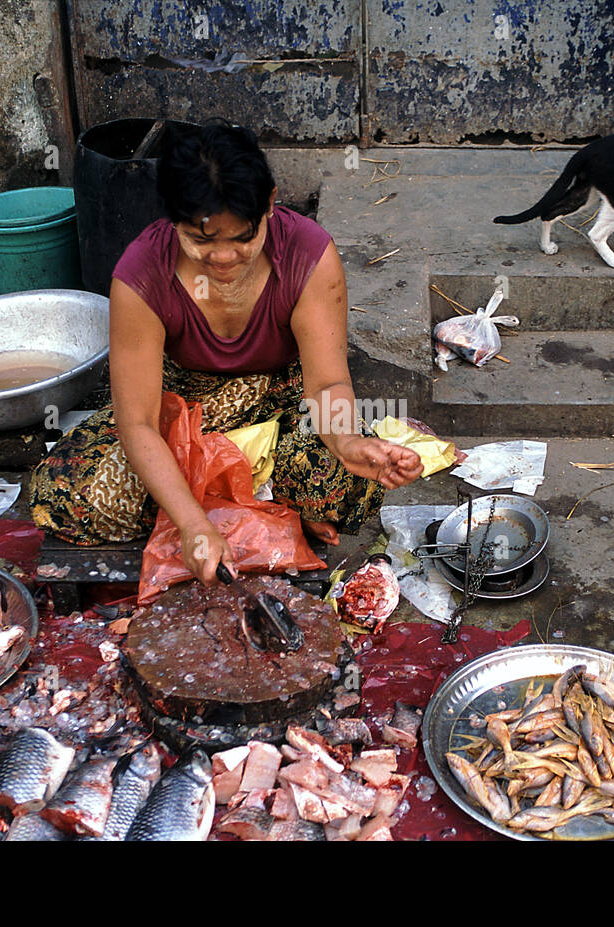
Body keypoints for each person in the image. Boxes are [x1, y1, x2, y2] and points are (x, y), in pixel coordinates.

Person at [27, 121, 423, 584]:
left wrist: (348, 442)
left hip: (283, 394)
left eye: (242, 238)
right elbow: (136, 422)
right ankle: (243, 495)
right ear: (172, 220)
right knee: (62, 494)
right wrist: (193, 526)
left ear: (270, 205)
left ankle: (232, 486)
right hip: (185, 407)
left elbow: (327, 384)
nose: (223, 258)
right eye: (202, 241)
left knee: (338, 485)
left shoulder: (309, 255)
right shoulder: (139, 277)